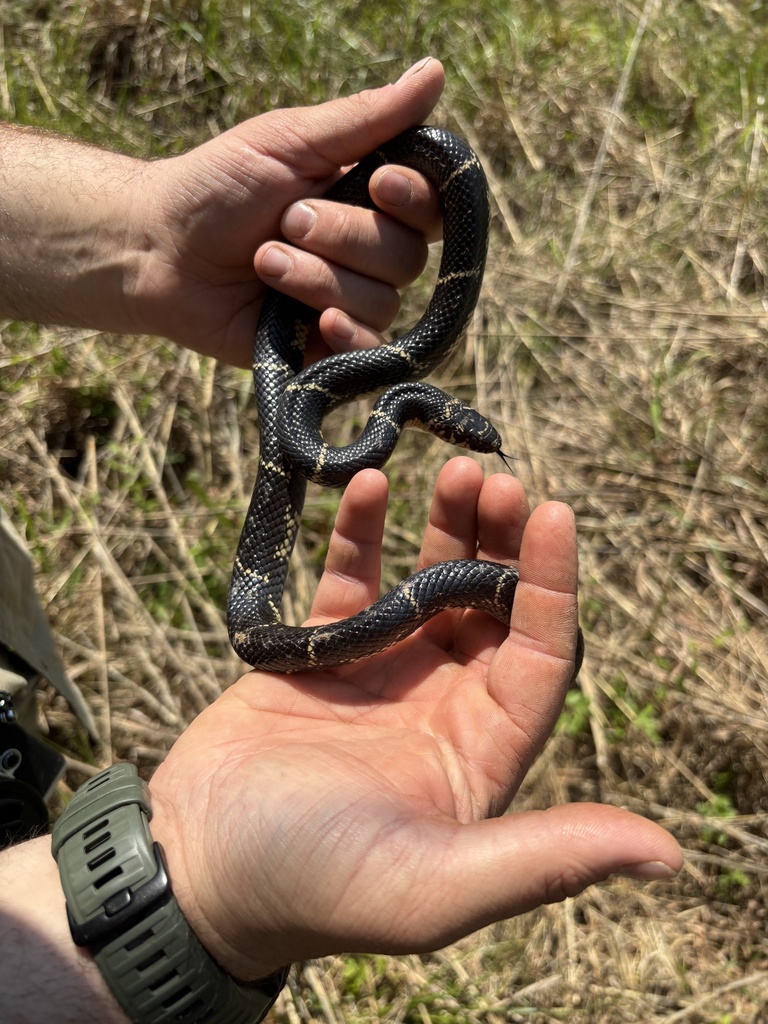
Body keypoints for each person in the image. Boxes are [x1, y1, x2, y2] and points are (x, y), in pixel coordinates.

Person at [0, 58, 682, 1022]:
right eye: (462, 431)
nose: (472, 438)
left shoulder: (325, 404)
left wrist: (152, 232)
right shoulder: (343, 417)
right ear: (427, 420)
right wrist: (195, 896)